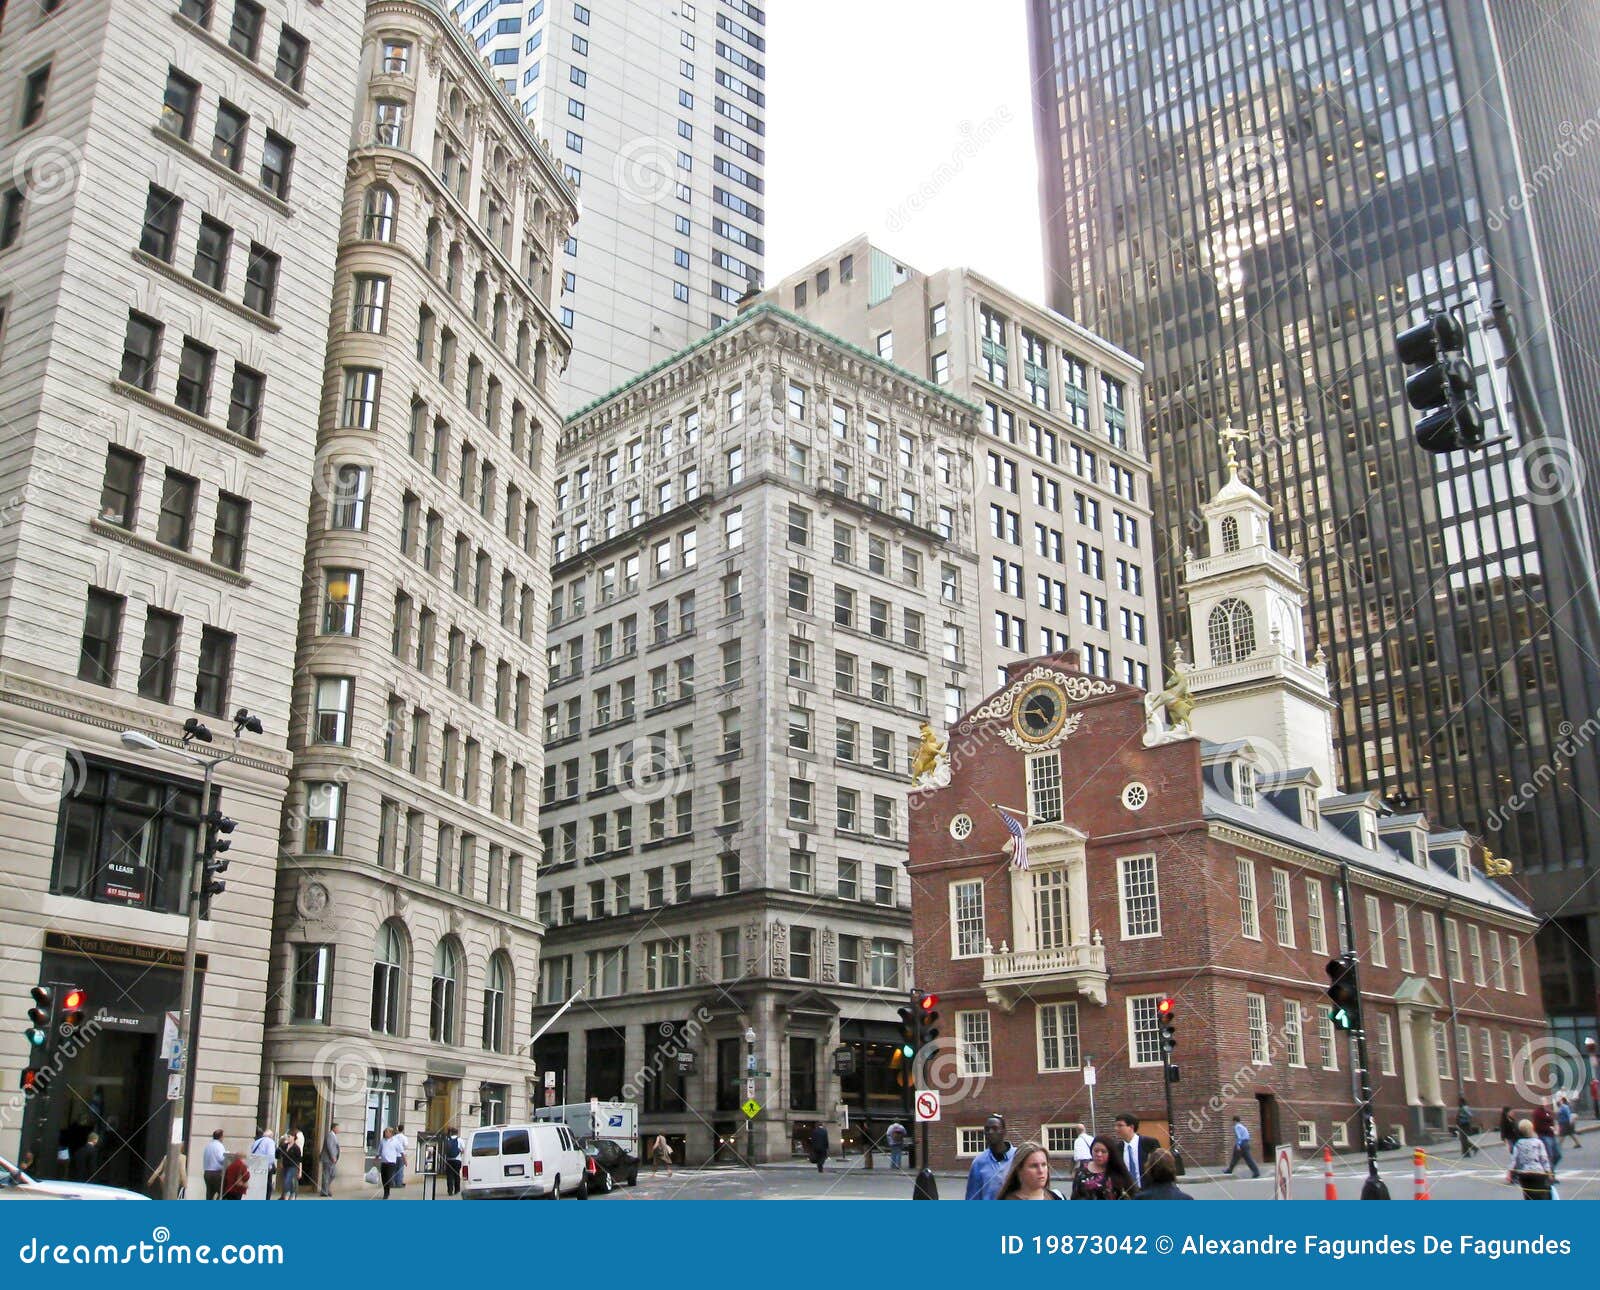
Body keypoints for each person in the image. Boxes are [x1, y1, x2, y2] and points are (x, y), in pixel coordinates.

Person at [964, 1114, 1015, 1199]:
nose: (990, 1132)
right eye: (987, 1129)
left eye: (995, 1128)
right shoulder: (978, 1162)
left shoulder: (1019, 1156)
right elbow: (973, 1196)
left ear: (1004, 1132)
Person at [1070, 1135, 1135, 1199]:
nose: (1099, 1154)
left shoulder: (1117, 1172)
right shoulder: (1081, 1171)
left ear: (1110, 1153)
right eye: (1096, 1151)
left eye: (1103, 1151)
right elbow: (1074, 1196)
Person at [996, 1143, 1064, 1200]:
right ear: (1019, 1169)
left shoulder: (1057, 1197)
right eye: (1034, 1166)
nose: (1041, 1171)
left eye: (1044, 1165)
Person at [1113, 1113, 1162, 1190]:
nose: (1116, 1128)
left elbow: (1160, 1167)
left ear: (1131, 1127)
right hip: (1128, 1192)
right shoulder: (1117, 1148)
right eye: (1115, 1126)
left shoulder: (1149, 1143)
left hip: (1149, 1190)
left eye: (1120, 1125)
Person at [1508, 1118, 1554, 1199]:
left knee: (1528, 1196)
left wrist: (1510, 1173)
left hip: (1524, 1174)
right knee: (1541, 1196)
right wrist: (1549, 1173)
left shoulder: (1518, 1144)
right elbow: (1544, 1159)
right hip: (1538, 1173)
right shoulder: (1538, 1142)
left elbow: (1514, 1160)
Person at [1532, 1103, 1561, 1179]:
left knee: (1557, 1155)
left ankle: (1548, 1171)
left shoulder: (1547, 1112)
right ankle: (1550, 1176)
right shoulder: (1537, 1112)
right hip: (1544, 1136)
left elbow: (1552, 1121)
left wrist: (1553, 1127)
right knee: (1549, 1156)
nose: (1547, 1104)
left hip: (1551, 1135)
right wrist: (1549, 1127)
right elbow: (1537, 1126)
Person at [377, 1126, 404, 1199]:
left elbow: (401, 1151)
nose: (385, 1133)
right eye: (385, 1132)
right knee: (383, 1178)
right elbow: (379, 1150)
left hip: (391, 1163)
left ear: (391, 1133)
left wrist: (404, 1160)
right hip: (384, 1162)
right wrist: (376, 1157)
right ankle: (386, 1191)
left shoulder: (395, 1141)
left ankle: (387, 1193)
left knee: (388, 1178)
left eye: (387, 1132)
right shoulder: (382, 1141)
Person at [250, 1127, 275, 1197]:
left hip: (255, 1166)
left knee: (256, 1186)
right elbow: (271, 1156)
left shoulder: (257, 1141)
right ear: (271, 1136)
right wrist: (269, 1166)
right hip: (264, 1167)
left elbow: (252, 1153)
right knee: (267, 1187)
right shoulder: (270, 1141)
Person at [277, 1128, 301, 1198]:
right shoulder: (284, 1146)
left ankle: (288, 1193)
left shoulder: (296, 1148)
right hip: (285, 1166)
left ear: (293, 1137)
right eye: (287, 1136)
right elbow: (279, 1154)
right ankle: (291, 1193)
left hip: (293, 1166)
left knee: (287, 1180)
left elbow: (299, 1160)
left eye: (289, 1136)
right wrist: (281, 1142)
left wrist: (299, 1170)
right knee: (287, 1180)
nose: (288, 1138)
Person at [202, 1129, 227, 1200]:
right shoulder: (219, 1146)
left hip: (207, 1172)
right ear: (221, 1137)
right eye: (223, 1136)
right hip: (216, 1173)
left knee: (209, 1193)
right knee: (223, 1192)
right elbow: (221, 1159)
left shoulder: (208, 1145)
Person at [319, 1123, 340, 1197]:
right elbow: (329, 1146)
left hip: (331, 1159)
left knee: (332, 1174)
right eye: (337, 1128)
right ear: (333, 1128)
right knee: (327, 1175)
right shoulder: (330, 1135)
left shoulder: (334, 1136)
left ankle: (326, 1189)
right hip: (328, 1159)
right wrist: (333, 1157)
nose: (339, 1130)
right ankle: (324, 1191)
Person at [442, 1126, 463, 1196]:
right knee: (457, 1174)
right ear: (457, 1133)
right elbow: (463, 1149)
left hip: (449, 1160)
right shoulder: (460, 1140)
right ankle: (457, 1190)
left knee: (449, 1176)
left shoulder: (447, 1139)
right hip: (457, 1160)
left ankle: (450, 1191)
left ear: (451, 1132)